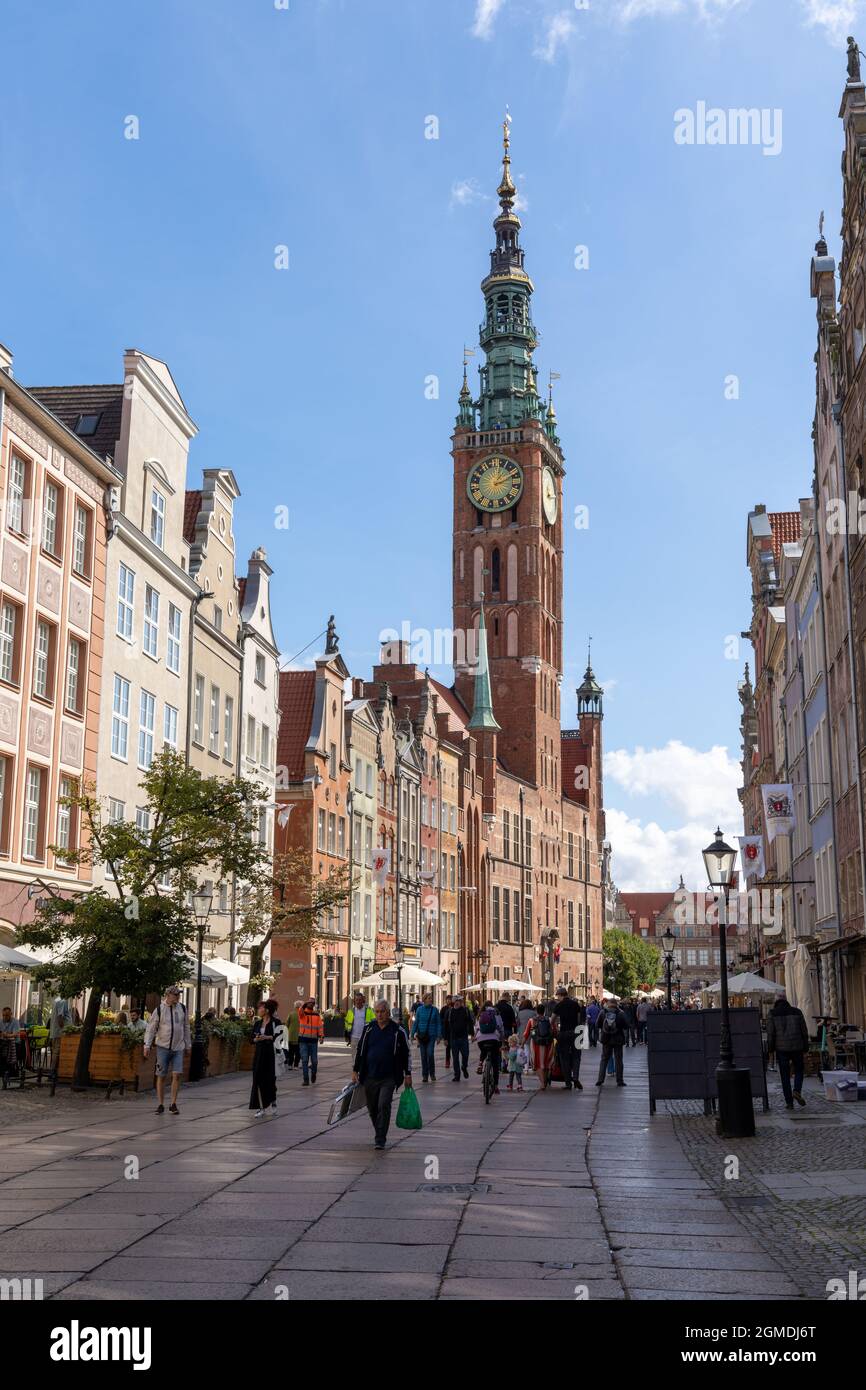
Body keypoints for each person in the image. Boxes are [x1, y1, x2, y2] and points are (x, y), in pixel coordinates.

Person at [352, 998, 412, 1150]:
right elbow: (360, 1050)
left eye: (382, 1012)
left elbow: (407, 1054)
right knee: (372, 1108)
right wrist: (355, 1070)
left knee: (383, 1104)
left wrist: (408, 1074)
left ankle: (380, 1138)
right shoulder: (369, 1029)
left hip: (389, 1076)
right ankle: (379, 1129)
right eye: (377, 1012)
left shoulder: (398, 1031)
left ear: (388, 1012)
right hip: (369, 1075)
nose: (379, 1015)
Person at [143, 985, 191, 1115]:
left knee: (177, 1075)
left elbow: (186, 1027)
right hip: (163, 1047)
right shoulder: (159, 1010)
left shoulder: (182, 1008)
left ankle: (173, 1103)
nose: (177, 996)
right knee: (161, 1076)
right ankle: (160, 1104)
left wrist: (188, 1045)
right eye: (175, 995)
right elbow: (151, 1028)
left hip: (178, 1047)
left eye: (178, 994)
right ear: (167, 996)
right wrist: (147, 1045)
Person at [766, 995, 810, 1110]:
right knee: (799, 1070)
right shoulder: (797, 1012)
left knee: (784, 1075)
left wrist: (770, 1050)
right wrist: (806, 1047)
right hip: (797, 1047)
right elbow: (804, 1031)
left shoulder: (772, 1013)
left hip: (781, 1049)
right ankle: (796, 1090)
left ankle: (789, 1102)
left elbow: (770, 1034)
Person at [249, 999, 279, 1117]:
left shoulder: (276, 1022)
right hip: (259, 1055)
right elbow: (251, 1039)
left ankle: (273, 1101)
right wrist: (256, 1039)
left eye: (260, 1008)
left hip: (271, 1056)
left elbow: (280, 1038)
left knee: (270, 1081)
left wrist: (267, 1037)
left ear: (266, 1010)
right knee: (257, 1080)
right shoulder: (257, 1023)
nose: (258, 1010)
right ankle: (261, 1107)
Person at [553, 986, 585, 1090]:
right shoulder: (575, 1004)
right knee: (577, 1057)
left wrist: (556, 1029)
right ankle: (575, 1078)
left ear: (561, 995)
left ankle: (568, 1082)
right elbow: (580, 1019)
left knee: (564, 1058)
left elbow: (552, 1020)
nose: (557, 998)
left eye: (558, 996)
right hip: (576, 1032)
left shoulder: (559, 1005)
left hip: (564, 1033)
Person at [595, 999, 629, 1087]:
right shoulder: (620, 1013)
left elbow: (597, 1024)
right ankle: (619, 1081)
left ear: (609, 1004)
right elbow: (626, 1025)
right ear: (616, 1004)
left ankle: (600, 1080)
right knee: (618, 1060)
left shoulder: (603, 1012)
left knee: (604, 1059)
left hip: (606, 1039)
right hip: (618, 1039)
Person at [474, 999, 505, 1093]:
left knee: (483, 1050)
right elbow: (500, 1027)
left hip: (481, 1040)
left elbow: (476, 1027)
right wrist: (502, 1039)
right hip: (494, 1039)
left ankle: (480, 1063)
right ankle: (495, 1086)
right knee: (495, 1062)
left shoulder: (480, 1014)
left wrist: (476, 1036)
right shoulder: (496, 1013)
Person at [411, 992, 442, 1082]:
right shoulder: (420, 1010)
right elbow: (416, 1022)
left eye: (431, 998)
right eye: (429, 998)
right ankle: (425, 1075)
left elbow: (438, 1023)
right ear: (424, 1000)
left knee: (430, 1054)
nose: (430, 1000)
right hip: (421, 1036)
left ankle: (432, 1073)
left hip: (431, 1036)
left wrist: (439, 1035)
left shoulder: (435, 1010)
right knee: (423, 1056)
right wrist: (412, 1034)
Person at [524, 1003, 554, 1086]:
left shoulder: (532, 1020)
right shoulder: (549, 1019)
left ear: (536, 1011)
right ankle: (544, 1081)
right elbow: (554, 1031)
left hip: (536, 1044)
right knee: (546, 1063)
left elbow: (527, 1033)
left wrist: (522, 1043)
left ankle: (542, 1083)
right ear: (544, 1011)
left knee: (537, 1064)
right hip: (548, 1043)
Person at [297, 998, 324, 1085]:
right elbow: (300, 1011)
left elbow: (320, 1026)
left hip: (313, 1041)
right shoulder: (303, 1012)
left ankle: (313, 1074)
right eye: (310, 1003)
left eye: (313, 1003)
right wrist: (304, 1004)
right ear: (307, 1003)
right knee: (304, 1060)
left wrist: (321, 1036)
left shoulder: (316, 1015)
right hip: (303, 1040)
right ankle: (306, 1079)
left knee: (315, 1061)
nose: (311, 1004)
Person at [448, 994, 473, 1081]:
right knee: (455, 1058)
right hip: (454, 1038)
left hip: (463, 1037)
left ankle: (464, 1067)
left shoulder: (465, 1010)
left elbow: (470, 1022)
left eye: (460, 1001)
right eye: (457, 1001)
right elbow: (447, 1025)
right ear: (454, 1002)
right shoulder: (450, 1011)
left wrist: (472, 1034)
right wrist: (445, 1038)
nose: (459, 1003)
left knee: (465, 1055)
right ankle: (457, 1075)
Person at [516, 996, 536, 1068]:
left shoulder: (520, 1013)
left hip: (522, 1032)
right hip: (532, 1032)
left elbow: (517, 1023)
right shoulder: (534, 1013)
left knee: (526, 1048)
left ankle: (526, 1067)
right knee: (531, 1049)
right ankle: (531, 1065)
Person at [440, 996, 453, 1071]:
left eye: (450, 999)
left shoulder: (454, 1007)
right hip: (447, 1030)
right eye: (447, 999)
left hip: (453, 1030)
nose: (448, 1001)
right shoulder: (444, 1009)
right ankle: (447, 1061)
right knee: (448, 1047)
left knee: (454, 1047)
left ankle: (454, 1061)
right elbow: (440, 1018)